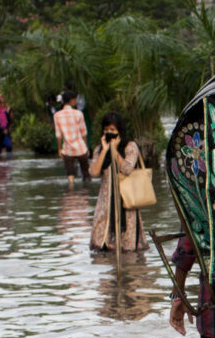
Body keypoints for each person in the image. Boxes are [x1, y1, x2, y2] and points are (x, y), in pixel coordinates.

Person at [88, 113, 148, 253]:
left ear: (120, 131)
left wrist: (114, 151)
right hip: (105, 203)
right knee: (100, 246)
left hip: (126, 201)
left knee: (128, 250)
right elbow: (94, 172)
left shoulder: (130, 147)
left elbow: (126, 169)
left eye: (113, 131)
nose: (109, 134)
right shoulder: (99, 149)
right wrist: (104, 150)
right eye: (106, 130)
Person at [53, 92, 88, 188]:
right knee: (85, 174)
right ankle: (86, 192)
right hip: (81, 148)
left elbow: (58, 135)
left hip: (67, 149)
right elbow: (84, 132)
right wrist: (86, 147)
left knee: (70, 175)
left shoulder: (57, 115)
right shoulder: (79, 114)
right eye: (75, 99)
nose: (76, 101)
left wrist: (59, 149)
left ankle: (70, 194)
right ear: (72, 100)